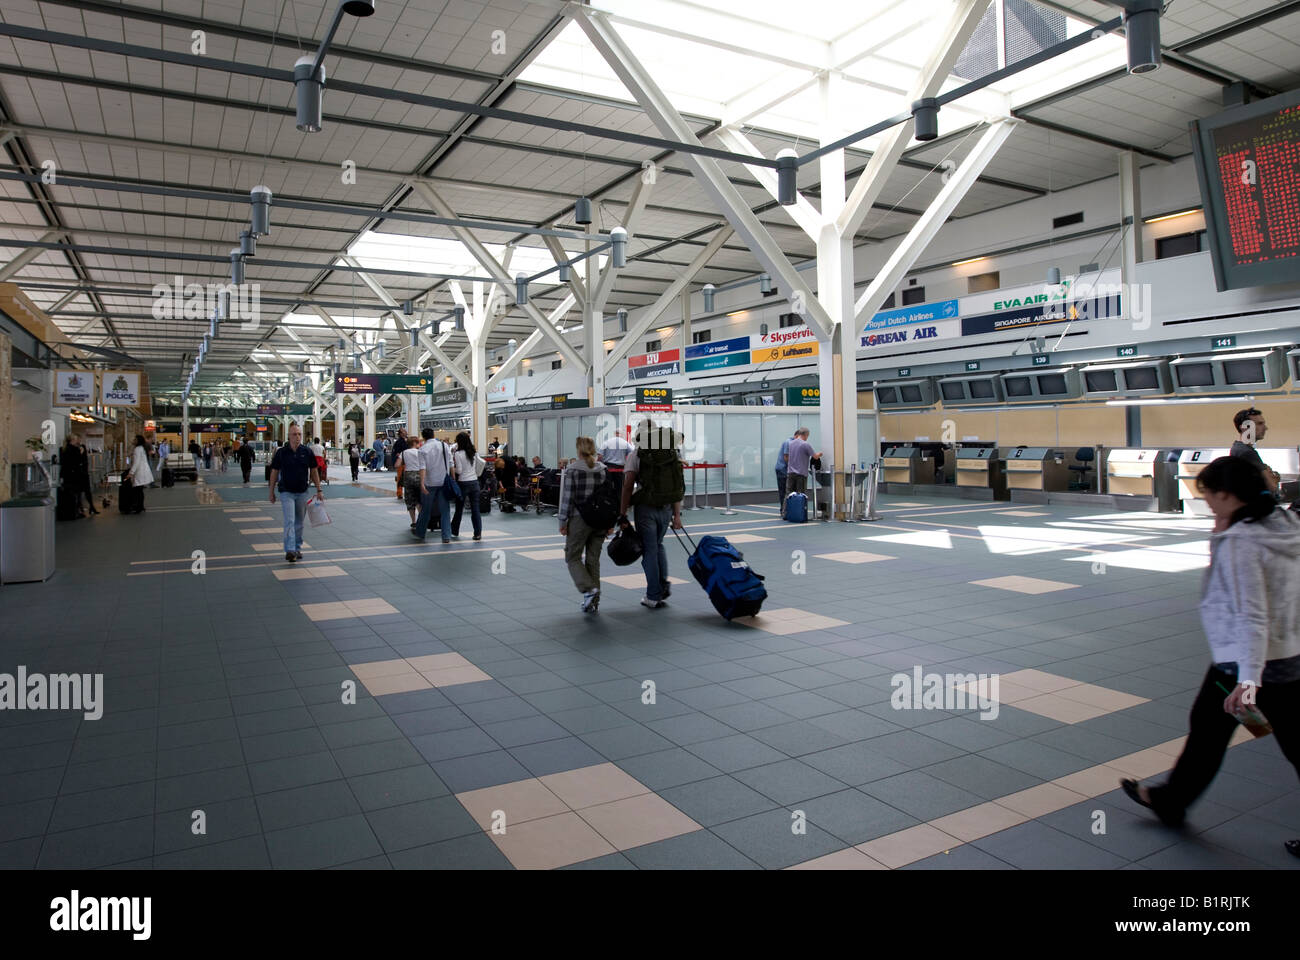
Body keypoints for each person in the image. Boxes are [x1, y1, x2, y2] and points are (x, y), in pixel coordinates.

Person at [1121, 456, 1300, 860]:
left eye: (1209, 497)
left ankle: (1171, 800)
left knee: (1215, 730)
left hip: (1246, 664)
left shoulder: (1242, 543)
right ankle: (1170, 800)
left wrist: (1248, 680)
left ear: (1227, 494)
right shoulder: (1285, 525)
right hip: (1287, 654)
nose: (1207, 505)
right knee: (1210, 728)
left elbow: (1252, 614)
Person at [619, 421, 685, 609]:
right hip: (666, 508)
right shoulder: (672, 454)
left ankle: (653, 595)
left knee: (649, 550)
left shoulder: (636, 455)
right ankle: (662, 587)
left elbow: (627, 485)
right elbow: (676, 487)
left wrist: (623, 513)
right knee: (658, 545)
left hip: (645, 508)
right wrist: (677, 515)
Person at [559, 436, 610, 613]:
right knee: (593, 560)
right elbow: (608, 497)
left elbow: (567, 498)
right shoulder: (603, 469)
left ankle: (588, 589)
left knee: (572, 556)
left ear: (578, 450)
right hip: (600, 519)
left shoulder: (573, 470)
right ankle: (593, 602)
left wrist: (562, 520)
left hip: (579, 519)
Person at [268, 423, 323, 564]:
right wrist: (271, 491)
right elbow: (274, 471)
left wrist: (319, 489)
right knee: (290, 521)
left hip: (302, 492)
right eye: (294, 434)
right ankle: (290, 550)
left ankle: (297, 548)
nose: (297, 437)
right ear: (288, 436)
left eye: (299, 434)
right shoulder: (281, 453)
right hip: (286, 492)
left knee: (299, 522)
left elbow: (314, 471)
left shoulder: (307, 451)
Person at [413, 428, 454, 543]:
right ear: (433, 434)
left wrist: (421, 483)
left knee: (426, 509)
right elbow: (451, 463)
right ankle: (446, 536)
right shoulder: (444, 445)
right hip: (443, 482)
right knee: (445, 510)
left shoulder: (422, 449)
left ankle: (420, 533)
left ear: (423, 437)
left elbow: (422, 468)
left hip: (429, 483)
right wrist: (453, 478)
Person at [1230, 407, 1280, 497]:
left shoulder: (1237, 448)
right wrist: (1273, 479)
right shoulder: (1247, 453)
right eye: (1260, 424)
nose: (1265, 428)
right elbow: (1272, 486)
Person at [449, 432, 485, 541]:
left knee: (459, 509)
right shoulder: (473, 452)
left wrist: (451, 469)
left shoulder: (458, 454)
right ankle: (477, 533)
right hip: (474, 482)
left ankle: (454, 531)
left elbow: (459, 470)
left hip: (463, 483)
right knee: (475, 509)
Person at [782, 427, 822, 517]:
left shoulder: (791, 443)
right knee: (801, 494)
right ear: (806, 435)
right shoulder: (805, 444)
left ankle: (785, 513)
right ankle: (800, 514)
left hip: (790, 472)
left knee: (788, 494)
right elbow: (815, 456)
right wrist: (821, 454)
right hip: (801, 473)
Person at [125, 434, 153, 514]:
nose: (133, 440)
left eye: (135, 439)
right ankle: (140, 506)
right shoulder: (141, 448)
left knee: (137, 491)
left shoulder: (137, 449)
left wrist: (131, 473)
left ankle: (138, 507)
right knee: (139, 490)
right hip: (143, 470)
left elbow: (136, 462)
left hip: (139, 472)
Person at [775, 431, 795, 513]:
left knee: (786, 490)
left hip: (784, 469)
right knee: (784, 490)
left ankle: (785, 509)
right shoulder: (789, 442)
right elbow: (786, 457)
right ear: (797, 436)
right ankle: (783, 510)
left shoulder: (791, 442)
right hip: (782, 470)